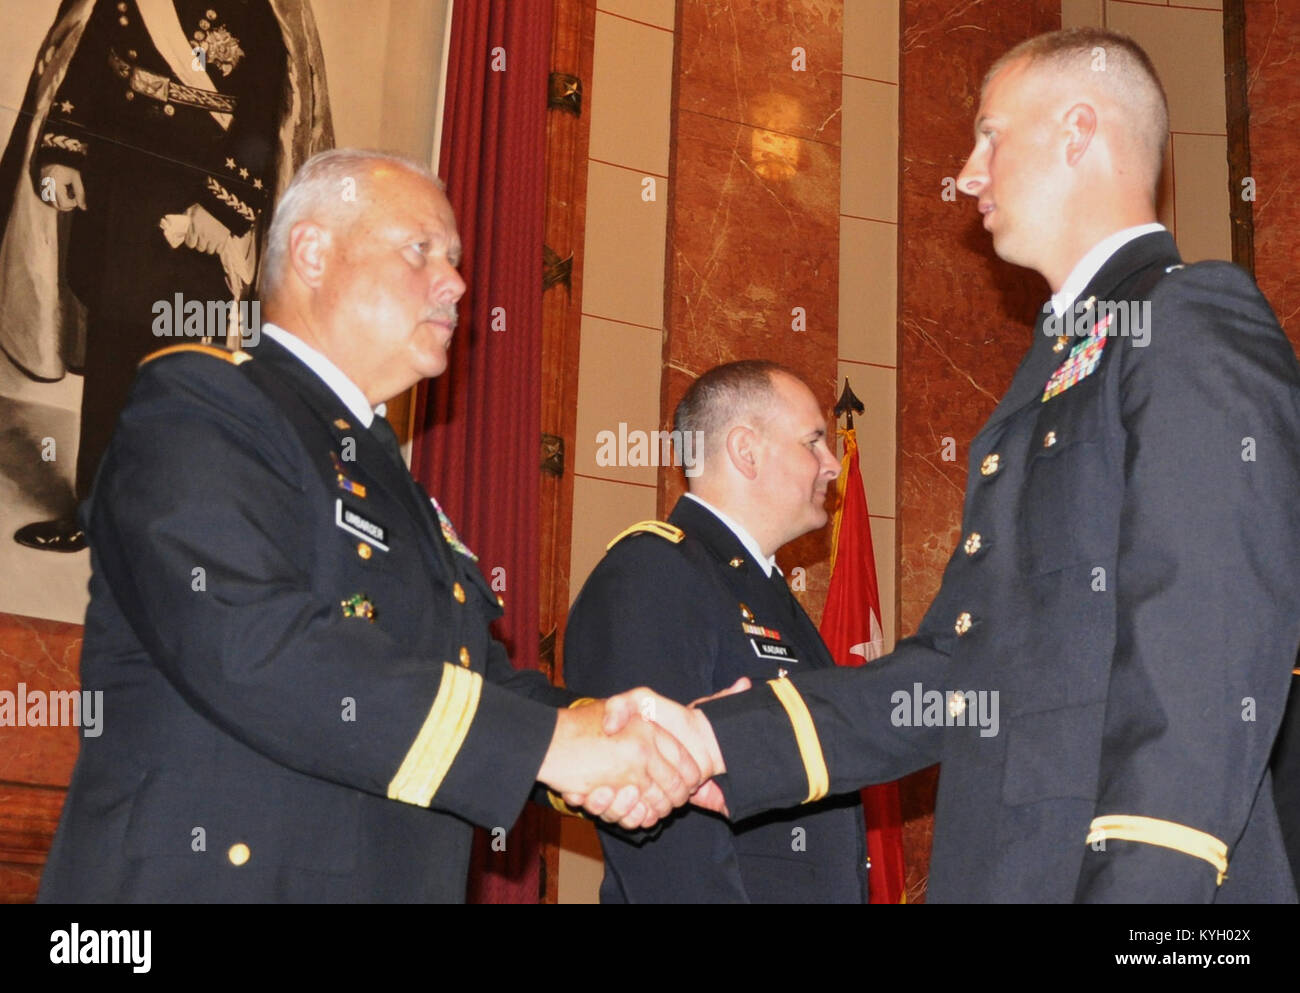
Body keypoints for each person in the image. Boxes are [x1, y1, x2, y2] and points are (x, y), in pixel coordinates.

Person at [599, 27, 1300, 903]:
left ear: (1078, 131)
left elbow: (1207, 639)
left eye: (991, 135)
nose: (969, 172)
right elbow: (957, 674)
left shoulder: (1190, 316)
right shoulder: (1050, 374)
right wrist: (725, 742)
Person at [36, 148, 706, 903]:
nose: (456, 282)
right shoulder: (201, 402)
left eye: (456, 260)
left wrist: (618, 733)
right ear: (313, 252)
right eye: (422, 249)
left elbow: (470, 682)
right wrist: (552, 746)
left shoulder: (389, 482)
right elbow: (252, 645)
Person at [0, 0, 333, 552]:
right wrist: (63, 154)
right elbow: (85, 69)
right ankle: (94, 512)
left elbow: (261, 116)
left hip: (195, 206)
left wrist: (221, 208)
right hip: (118, 195)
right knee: (111, 358)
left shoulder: (260, 10)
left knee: (183, 368)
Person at [564, 361, 868, 903]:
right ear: (746, 450)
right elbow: (660, 823)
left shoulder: (759, 587)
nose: (831, 464)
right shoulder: (655, 572)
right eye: (814, 442)